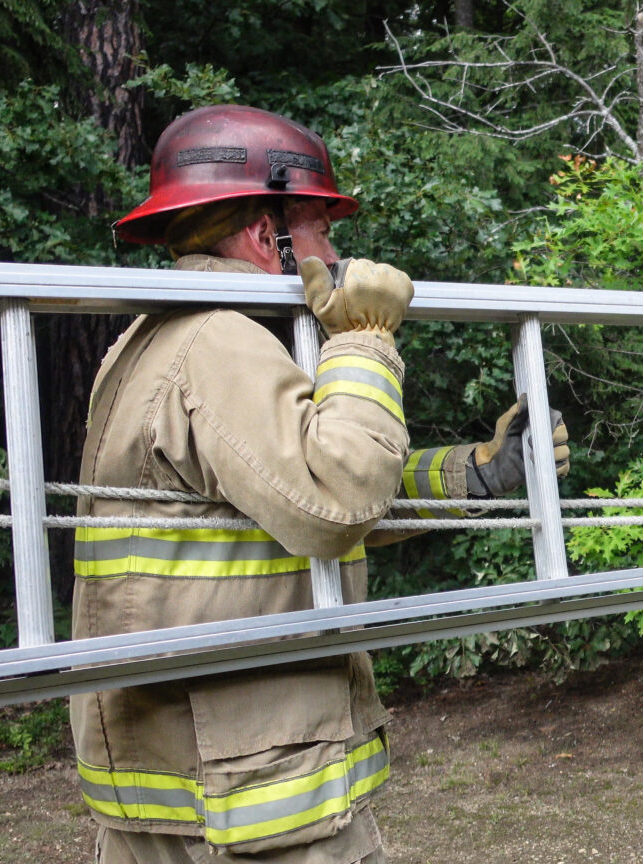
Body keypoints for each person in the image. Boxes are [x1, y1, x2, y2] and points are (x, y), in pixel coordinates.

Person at [74, 104, 567, 863]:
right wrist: (364, 342)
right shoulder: (221, 339)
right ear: (264, 235)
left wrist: (478, 476)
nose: (334, 251)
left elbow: (282, 500)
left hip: (184, 778)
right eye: (320, 227)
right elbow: (334, 502)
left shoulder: (153, 337)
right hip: (254, 794)